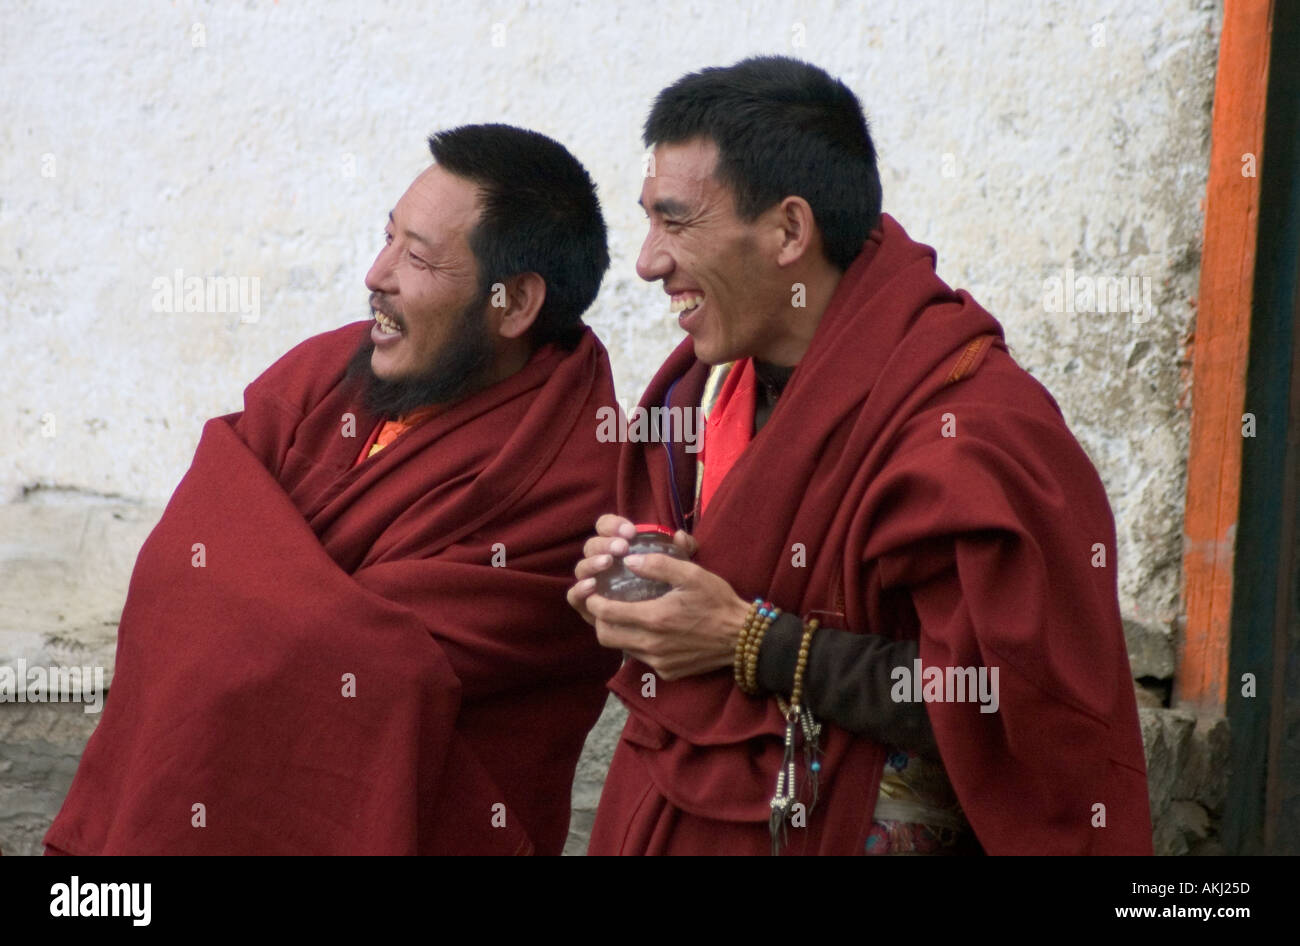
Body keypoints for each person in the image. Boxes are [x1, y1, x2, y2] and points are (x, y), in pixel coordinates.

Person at [568, 57, 1153, 855]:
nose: (647, 260)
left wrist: (753, 641)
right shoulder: (697, 397)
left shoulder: (971, 428)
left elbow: (1000, 705)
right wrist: (642, 588)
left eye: (676, 223)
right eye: (648, 220)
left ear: (788, 231)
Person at [46, 124, 621, 855]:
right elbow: (175, 573)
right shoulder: (323, 375)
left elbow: (372, 665)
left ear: (514, 303)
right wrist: (282, 605)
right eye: (387, 238)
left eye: (416, 258)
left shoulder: (574, 479)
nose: (376, 275)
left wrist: (249, 588)